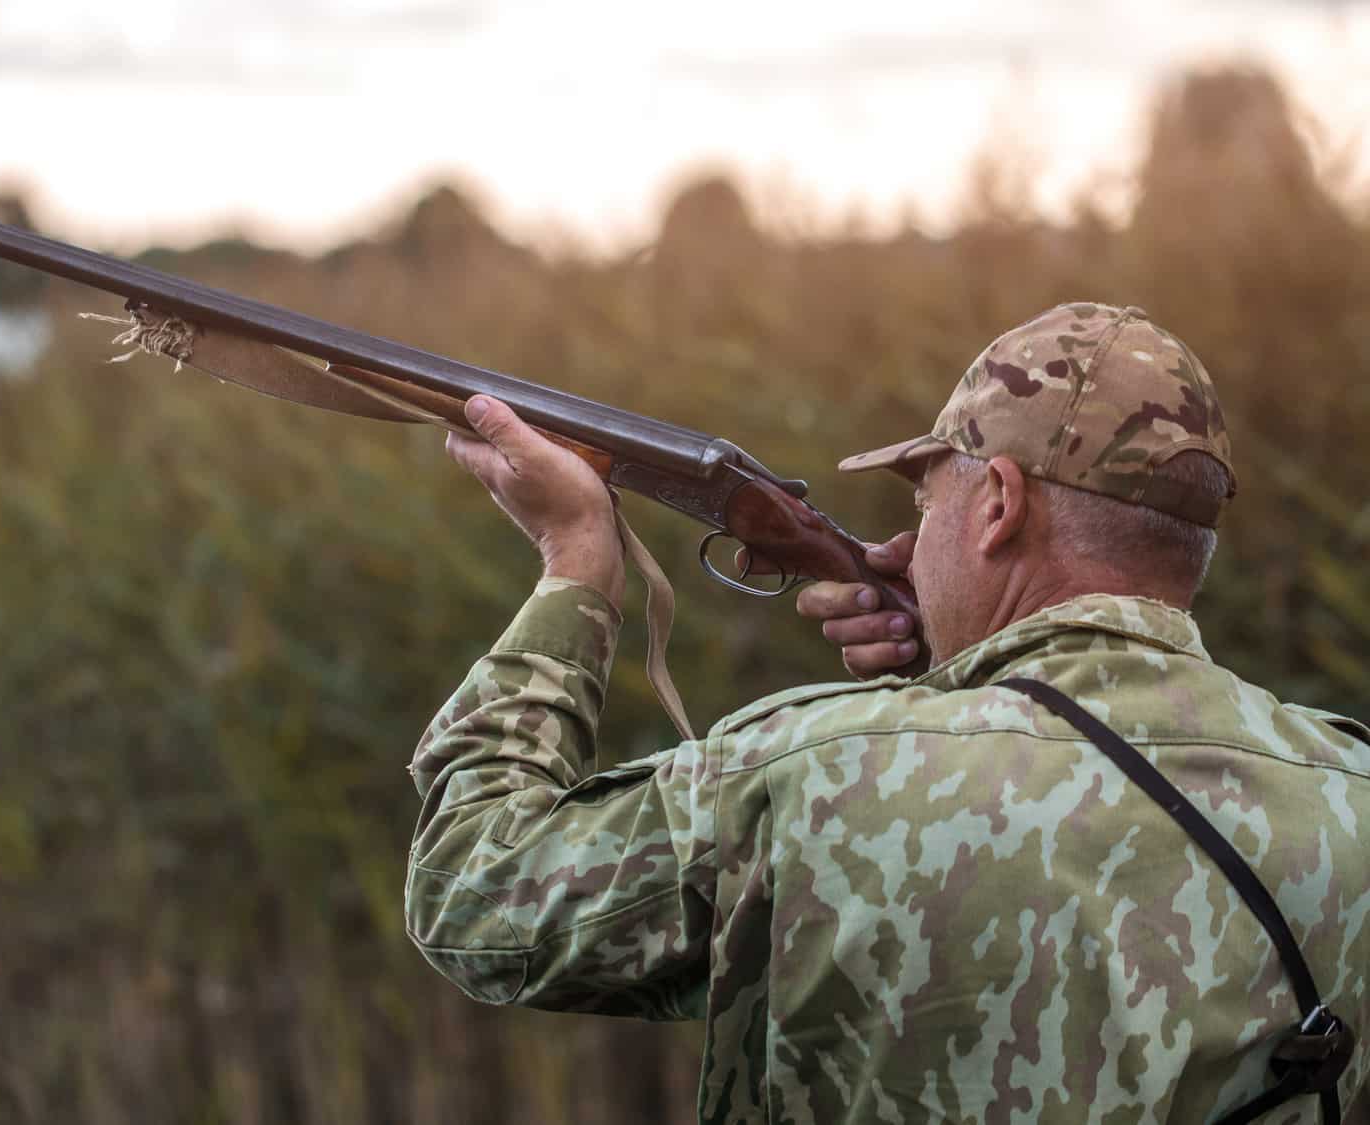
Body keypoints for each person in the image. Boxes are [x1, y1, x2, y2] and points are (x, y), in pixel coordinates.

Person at [404, 303, 1368, 1123]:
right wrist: (960, 671)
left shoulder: (812, 776)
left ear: (998, 502)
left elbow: (474, 894)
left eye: (927, 492)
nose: (906, 539)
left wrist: (576, 557)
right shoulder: (1349, 795)